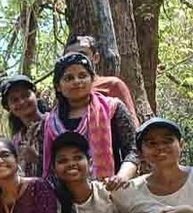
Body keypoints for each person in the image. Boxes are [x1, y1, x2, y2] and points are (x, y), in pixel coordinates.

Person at [42, 52, 139, 185]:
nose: (77, 81)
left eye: (82, 76)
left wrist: (122, 177)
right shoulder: (50, 122)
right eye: (69, 78)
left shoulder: (113, 108)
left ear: (92, 80)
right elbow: (45, 161)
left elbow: (133, 149)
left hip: (109, 190)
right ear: (58, 86)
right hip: (63, 195)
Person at [64, 35, 138, 121]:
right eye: (70, 56)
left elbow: (131, 124)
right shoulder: (64, 89)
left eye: (82, 54)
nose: (76, 60)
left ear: (95, 58)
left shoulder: (112, 85)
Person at [0, 75, 48, 177]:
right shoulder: (17, 140)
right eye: (14, 100)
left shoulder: (54, 125)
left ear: (37, 95)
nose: (21, 102)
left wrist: (37, 159)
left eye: (26, 95)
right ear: (8, 107)